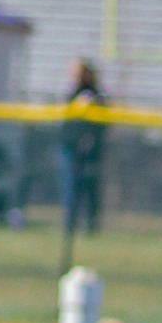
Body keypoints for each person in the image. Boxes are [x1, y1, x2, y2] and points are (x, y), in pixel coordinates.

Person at [57, 60, 107, 238]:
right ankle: (69, 224)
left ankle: (90, 224)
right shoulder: (73, 94)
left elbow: (100, 124)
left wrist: (90, 139)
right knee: (70, 186)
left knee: (89, 187)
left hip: (89, 152)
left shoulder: (95, 95)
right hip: (69, 148)